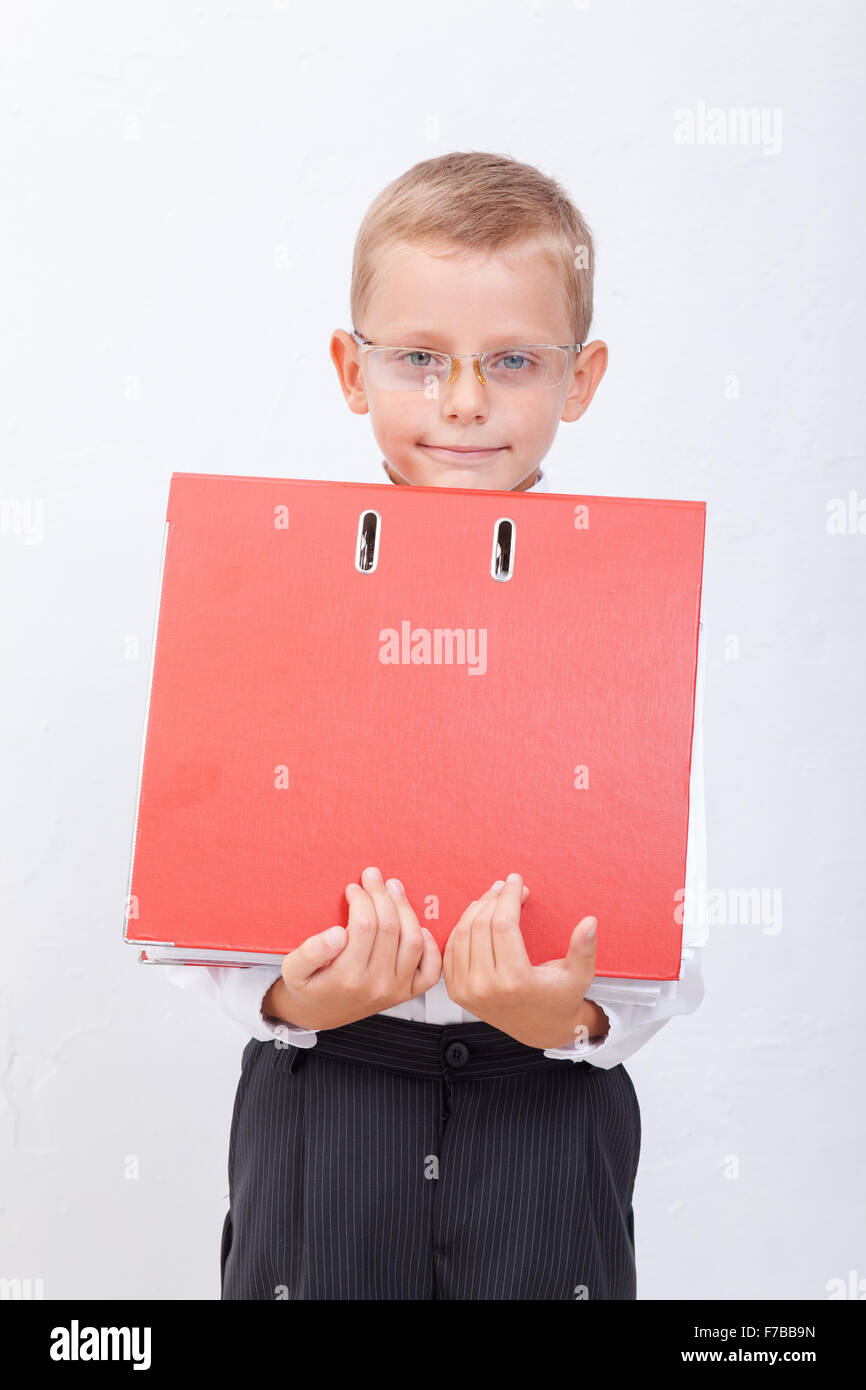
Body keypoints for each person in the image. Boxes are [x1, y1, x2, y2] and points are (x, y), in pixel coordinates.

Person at [166, 150, 707, 1300]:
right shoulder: (272, 593)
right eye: (419, 359)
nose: (463, 402)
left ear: (582, 375)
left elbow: (675, 920)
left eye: (511, 361)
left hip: (544, 1106)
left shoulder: (630, 610)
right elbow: (200, 893)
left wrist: (573, 1011)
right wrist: (291, 1000)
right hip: (328, 1099)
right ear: (352, 372)